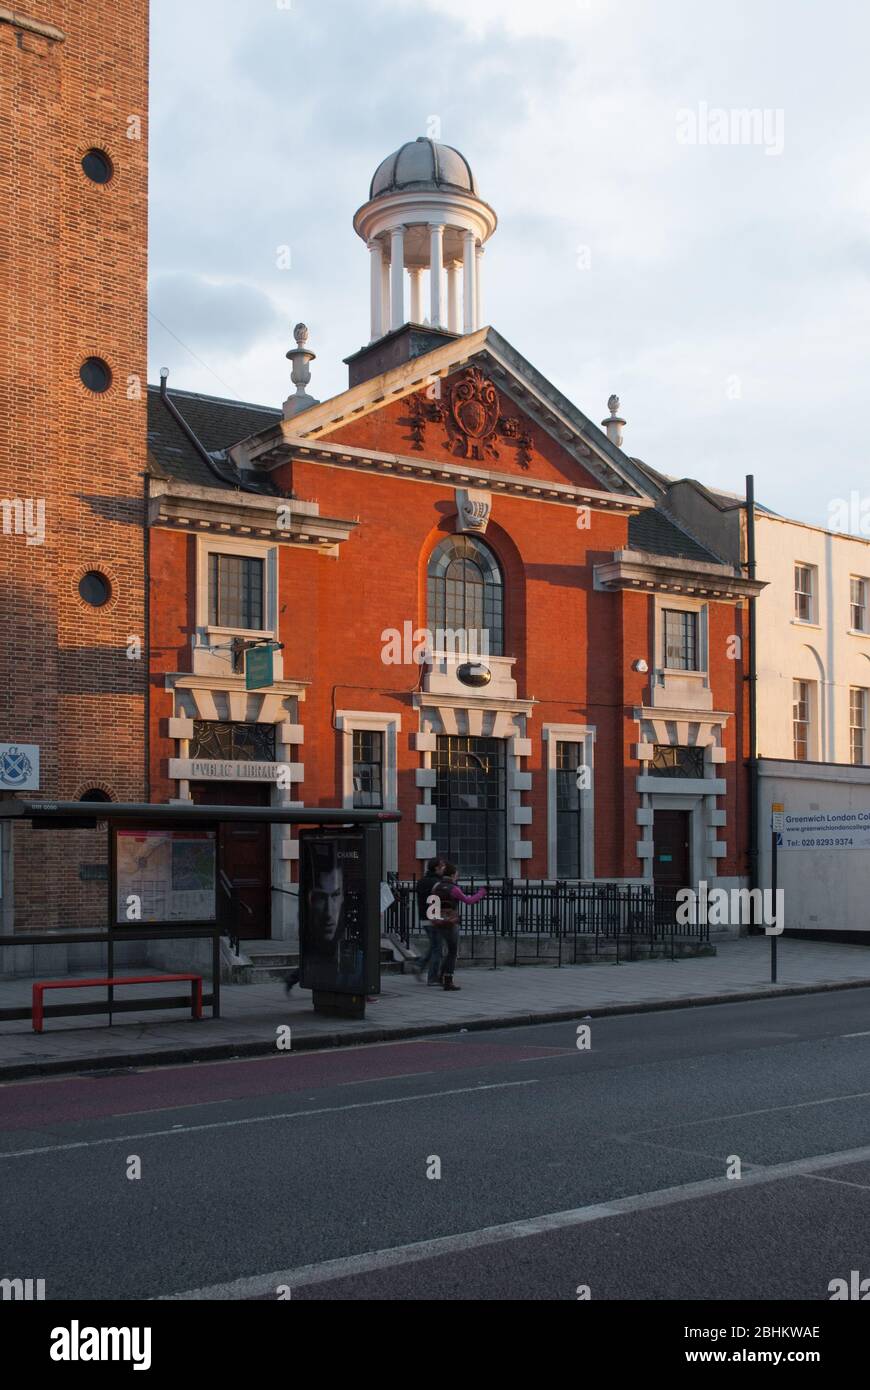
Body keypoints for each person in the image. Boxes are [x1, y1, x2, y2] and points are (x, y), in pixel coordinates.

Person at [428, 862, 486, 991]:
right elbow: (469, 901)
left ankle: (441, 976)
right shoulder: (454, 888)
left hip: (437, 922)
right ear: (453, 874)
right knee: (453, 951)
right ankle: (448, 980)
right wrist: (482, 892)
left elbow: (431, 903)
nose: (457, 877)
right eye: (456, 875)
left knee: (446, 950)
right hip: (450, 922)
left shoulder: (436, 886)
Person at [412, 856, 447, 985]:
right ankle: (432, 978)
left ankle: (419, 965)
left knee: (434, 945)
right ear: (437, 868)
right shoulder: (438, 883)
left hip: (424, 918)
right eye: (442, 866)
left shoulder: (422, 881)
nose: (444, 868)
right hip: (435, 918)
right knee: (438, 947)